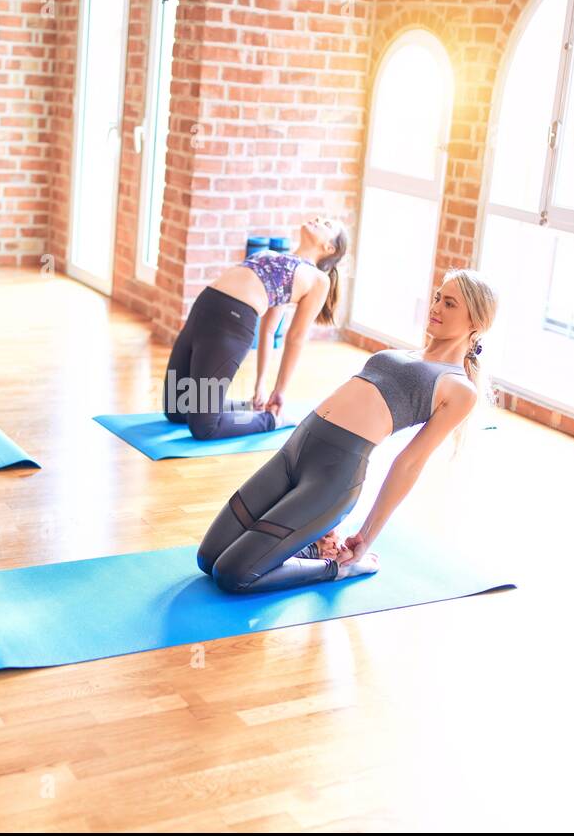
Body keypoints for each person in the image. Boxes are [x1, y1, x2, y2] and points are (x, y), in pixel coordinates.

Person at [198, 268, 498, 593]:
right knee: (208, 557)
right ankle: (310, 543)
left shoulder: (458, 388)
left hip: (333, 477)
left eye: (450, 304)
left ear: (475, 324)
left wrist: (366, 536)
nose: (436, 307)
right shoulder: (401, 353)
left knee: (231, 574)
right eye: (438, 297)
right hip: (295, 450)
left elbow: (410, 463)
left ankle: (336, 569)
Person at [163, 217, 347, 439]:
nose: (318, 220)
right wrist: (260, 386)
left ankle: (271, 420)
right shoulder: (281, 257)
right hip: (202, 311)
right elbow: (268, 331)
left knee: (203, 428)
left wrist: (279, 391)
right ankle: (251, 406)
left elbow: (295, 338)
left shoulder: (318, 280)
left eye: (327, 225)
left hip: (230, 324)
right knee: (175, 409)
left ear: (329, 248)